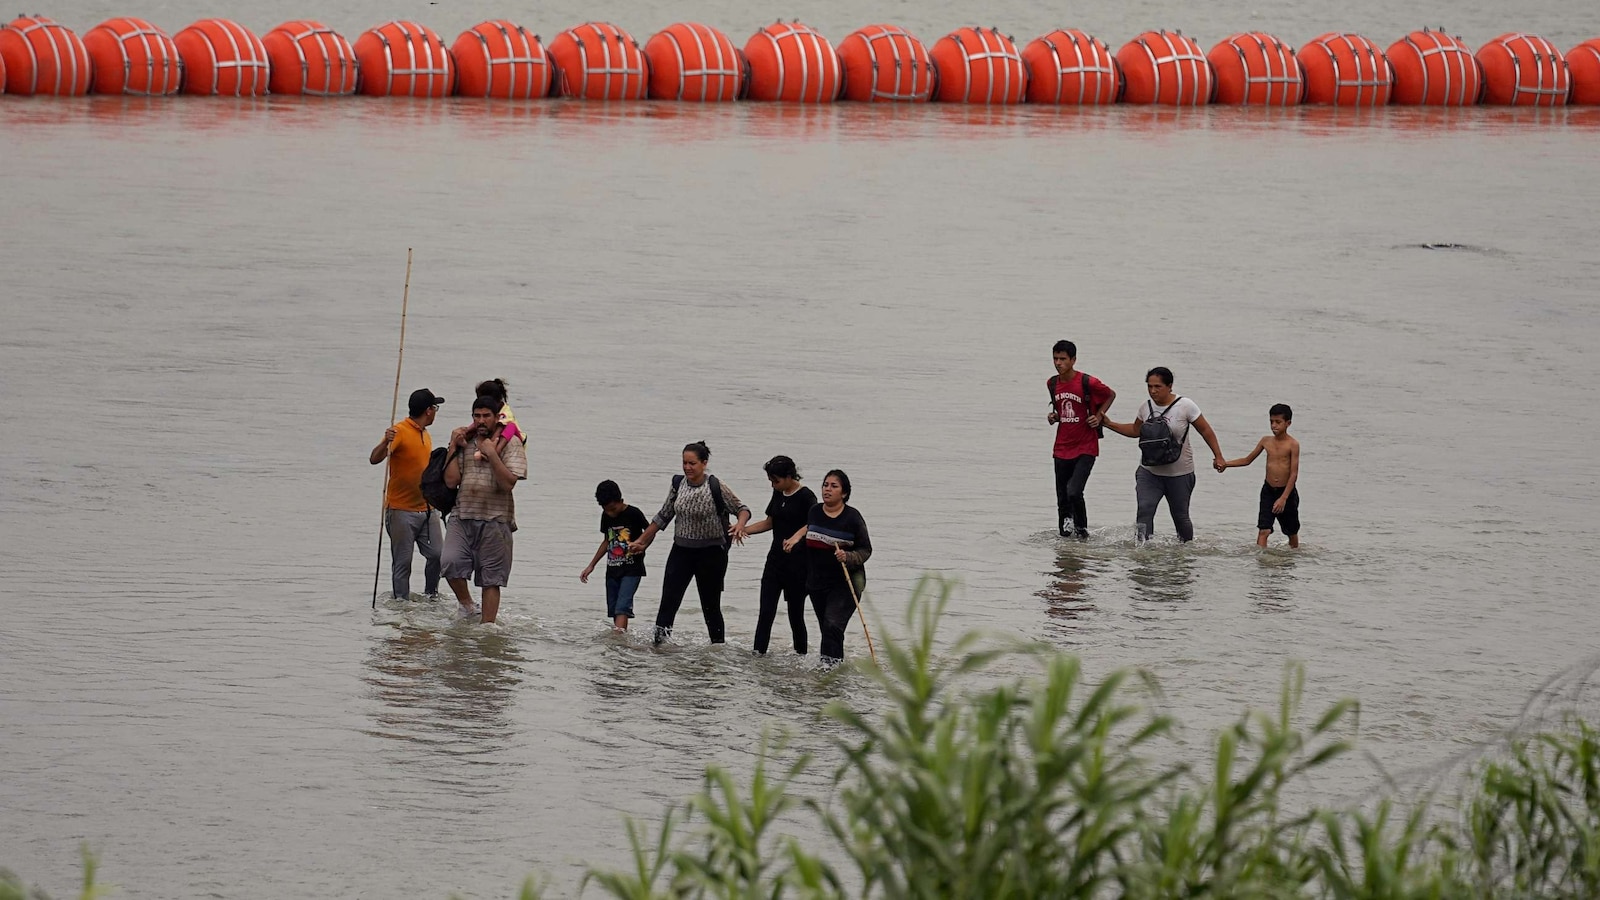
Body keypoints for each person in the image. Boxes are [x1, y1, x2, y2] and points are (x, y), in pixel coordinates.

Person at [627, 441, 751, 646]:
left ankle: (717, 649)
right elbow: (663, 516)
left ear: (704, 463)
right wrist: (641, 541)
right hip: (681, 552)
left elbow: (742, 508)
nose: (687, 467)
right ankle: (659, 646)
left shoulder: (715, 486)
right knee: (668, 602)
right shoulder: (678, 484)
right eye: (684, 463)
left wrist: (740, 524)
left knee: (710, 605)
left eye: (692, 463)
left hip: (711, 554)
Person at [1102, 367, 1226, 542]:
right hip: (1149, 472)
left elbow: (1206, 430)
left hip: (1180, 474)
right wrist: (1109, 424)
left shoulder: (1185, 406)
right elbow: (1135, 430)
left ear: (1170, 386)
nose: (1153, 391)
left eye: (1158, 386)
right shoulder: (1146, 407)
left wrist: (1218, 456)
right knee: (1145, 509)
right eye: (1149, 386)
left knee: (1180, 518)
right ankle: (1144, 553)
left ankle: (1185, 554)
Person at [441, 395, 528, 624]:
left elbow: (508, 483)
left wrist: (491, 453)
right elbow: (451, 482)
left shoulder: (511, 443)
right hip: (462, 514)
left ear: (496, 417)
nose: (481, 421)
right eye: (476, 416)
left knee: (491, 579)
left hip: (496, 518)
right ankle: (468, 606)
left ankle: (487, 627)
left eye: (486, 416)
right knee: (449, 562)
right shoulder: (466, 441)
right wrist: (452, 446)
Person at [784, 469, 871, 668]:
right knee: (829, 629)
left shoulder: (852, 518)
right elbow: (810, 530)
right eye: (825, 485)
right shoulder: (815, 511)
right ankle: (833, 670)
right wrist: (795, 540)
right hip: (817, 582)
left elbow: (866, 549)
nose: (827, 489)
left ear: (844, 493)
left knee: (832, 625)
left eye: (834, 486)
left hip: (846, 583)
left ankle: (828, 670)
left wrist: (848, 556)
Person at [368, 388, 444, 601]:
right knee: (403, 563)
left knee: (438, 555)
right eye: (435, 408)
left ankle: (431, 596)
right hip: (400, 510)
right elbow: (374, 459)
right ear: (429, 411)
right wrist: (385, 441)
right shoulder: (400, 431)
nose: (436, 412)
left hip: (428, 509)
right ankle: (401, 604)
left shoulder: (425, 434)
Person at [743, 456, 816, 656]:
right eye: (771, 481)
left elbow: (814, 523)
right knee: (766, 613)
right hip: (775, 562)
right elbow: (770, 522)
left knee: (795, 615)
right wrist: (743, 530)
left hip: (799, 565)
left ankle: (801, 657)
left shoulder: (806, 496)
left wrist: (795, 537)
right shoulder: (778, 493)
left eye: (776, 480)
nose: (773, 485)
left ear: (790, 476)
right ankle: (757, 656)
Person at [1045, 340, 1116, 539]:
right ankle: (1065, 541)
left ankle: (1082, 534)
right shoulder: (1052, 383)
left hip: (1086, 446)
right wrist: (1055, 416)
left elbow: (1111, 394)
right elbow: (1063, 410)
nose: (1058, 363)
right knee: (1062, 497)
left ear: (1073, 360)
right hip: (1061, 447)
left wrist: (1100, 415)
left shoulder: (1088, 382)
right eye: (1055, 358)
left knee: (1074, 492)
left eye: (1063, 359)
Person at [1218, 403, 1301, 548]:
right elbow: (1247, 460)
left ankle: (1293, 559)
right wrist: (1226, 464)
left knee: (1291, 531)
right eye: (1271, 422)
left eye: (1278, 422)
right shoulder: (1266, 441)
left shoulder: (1293, 444)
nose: (1274, 425)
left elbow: (1293, 474)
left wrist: (1283, 498)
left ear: (1288, 423)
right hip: (1268, 491)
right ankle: (1261, 563)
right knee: (1264, 530)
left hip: (1286, 492)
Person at [579, 480, 650, 631]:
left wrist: (642, 545)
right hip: (612, 570)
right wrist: (591, 565)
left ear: (621, 501)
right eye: (606, 510)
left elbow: (650, 531)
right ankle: (621, 640)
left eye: (613, 508)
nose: (610, 513)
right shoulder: (606, 516)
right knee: (614, 609)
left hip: (632, 569)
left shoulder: (633, 513)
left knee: (622, 606)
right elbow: (606, 541)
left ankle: (618, 639)